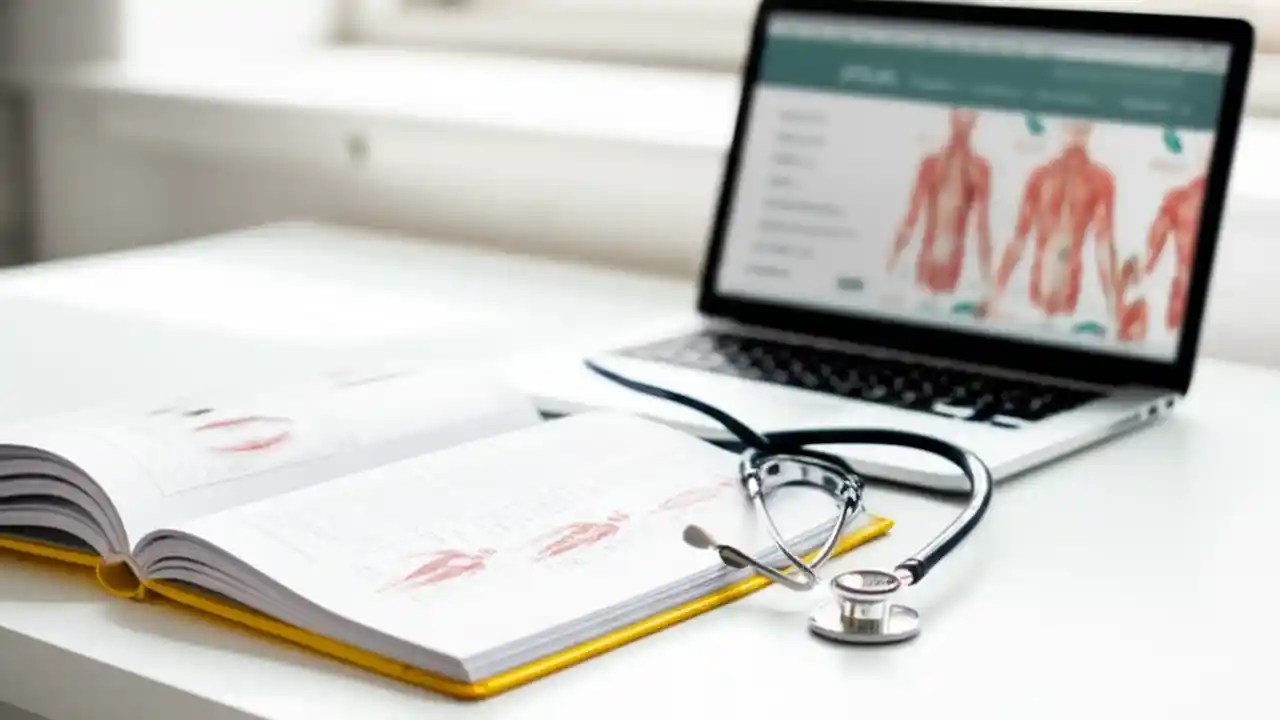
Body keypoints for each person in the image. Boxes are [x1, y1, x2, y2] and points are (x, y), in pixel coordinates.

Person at [990, 120, 1118, 326]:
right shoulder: (1041, 176)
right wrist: (996, 294)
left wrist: (1114, 306)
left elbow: (1103, 245)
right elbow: (1019, 238)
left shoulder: (1100, 180)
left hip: (1068, 298)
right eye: (1072, 126)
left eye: (1082, 127)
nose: (1077, 132)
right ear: (1062, 127)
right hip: (1037, 294)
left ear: (1091, 129)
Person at [886, 108, 993, 298]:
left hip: (951, 266)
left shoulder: (979, 169)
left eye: (968, 117)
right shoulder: (932, 163)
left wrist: (988, 282)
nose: (962, 123)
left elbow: (982, 228)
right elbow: (911, 217)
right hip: (929, 262)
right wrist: (891, 264)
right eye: (960, 116)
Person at [1145, 174, 1206, 332]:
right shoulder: (1181, 197)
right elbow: (1158, 232)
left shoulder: (1181, 197)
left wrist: (1149, 263)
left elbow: (1156, 234)